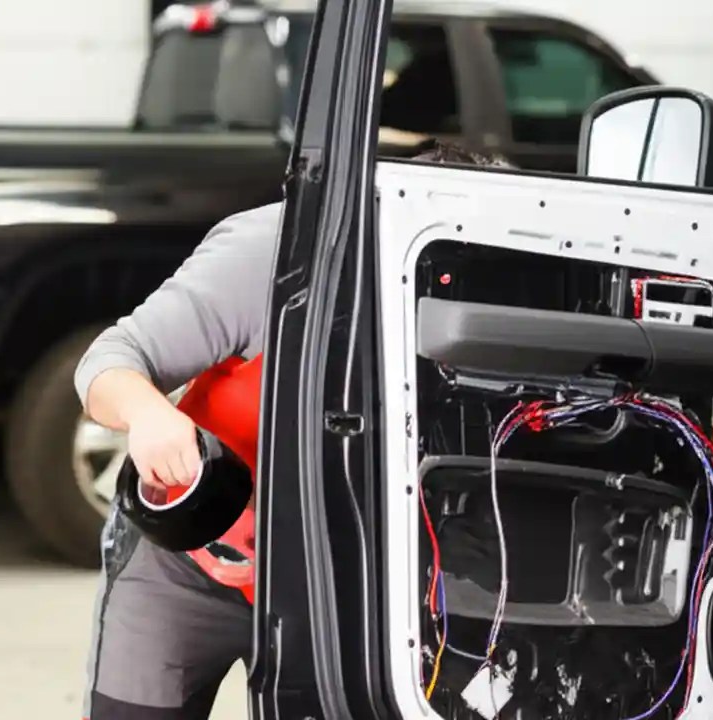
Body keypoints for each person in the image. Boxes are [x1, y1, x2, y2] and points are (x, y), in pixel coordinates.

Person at [75, 142, 512, 719]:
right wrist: (151, 415)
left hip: (342, 589)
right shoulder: (272, 253)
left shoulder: (490, 299)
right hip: (186, 564)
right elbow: (109, 361)